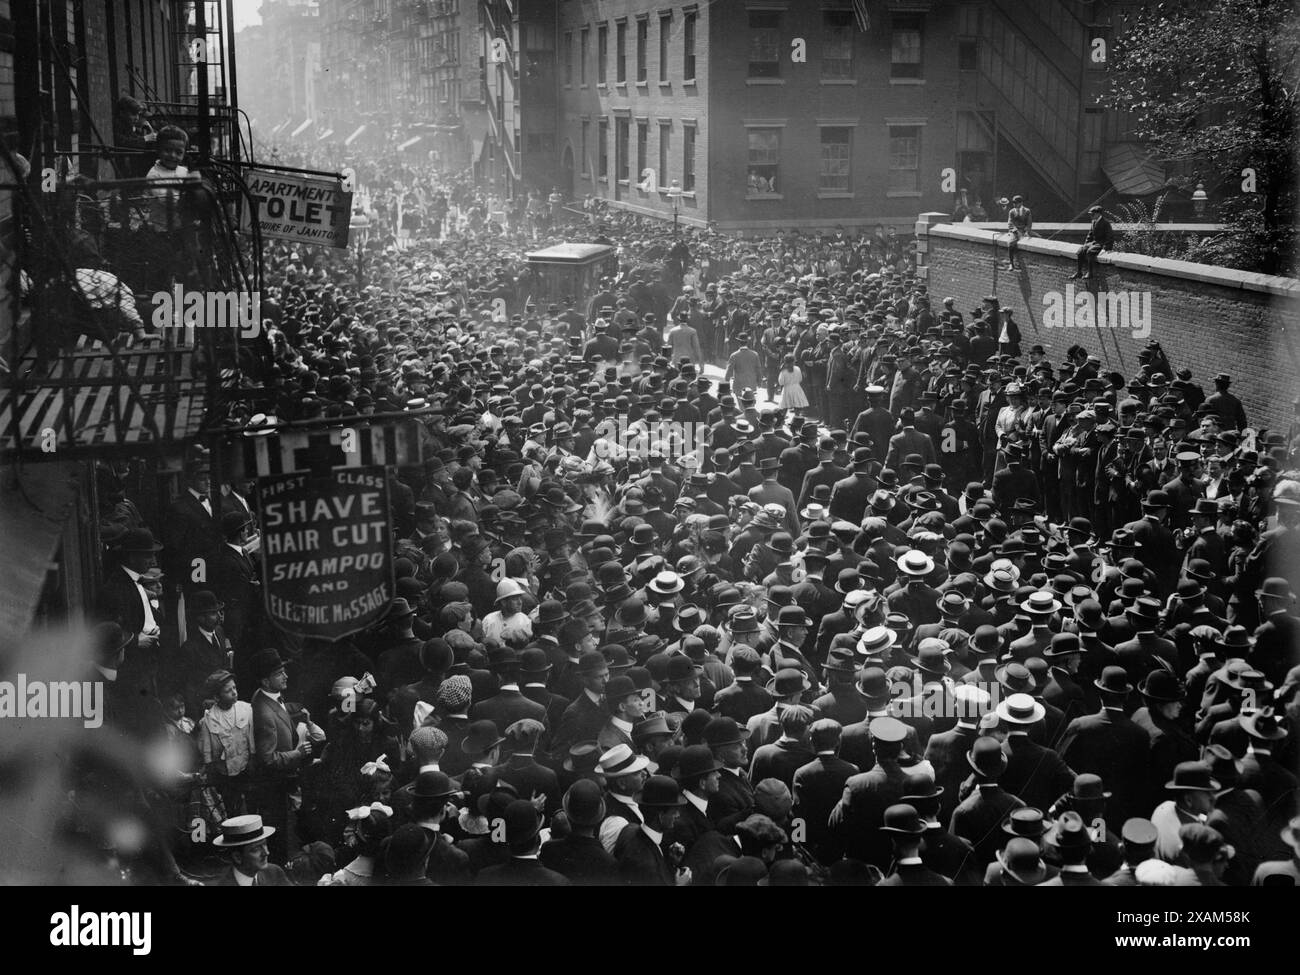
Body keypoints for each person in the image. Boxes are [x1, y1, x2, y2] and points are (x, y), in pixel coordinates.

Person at [1070, 205, 1114, 280]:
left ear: (1098, 214)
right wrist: (1086, 244)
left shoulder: (1106, 223)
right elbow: (1090, 234)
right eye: (1090, 214)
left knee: (1090, 252)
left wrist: (1105, 248)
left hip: (1101, 243)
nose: (1091, 216)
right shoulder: (1093, 221)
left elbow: (1110, 237)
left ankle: (1090, 273)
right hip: (1094, 242)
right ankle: (1079, 272)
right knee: (1080, 251)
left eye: (1092, 214)